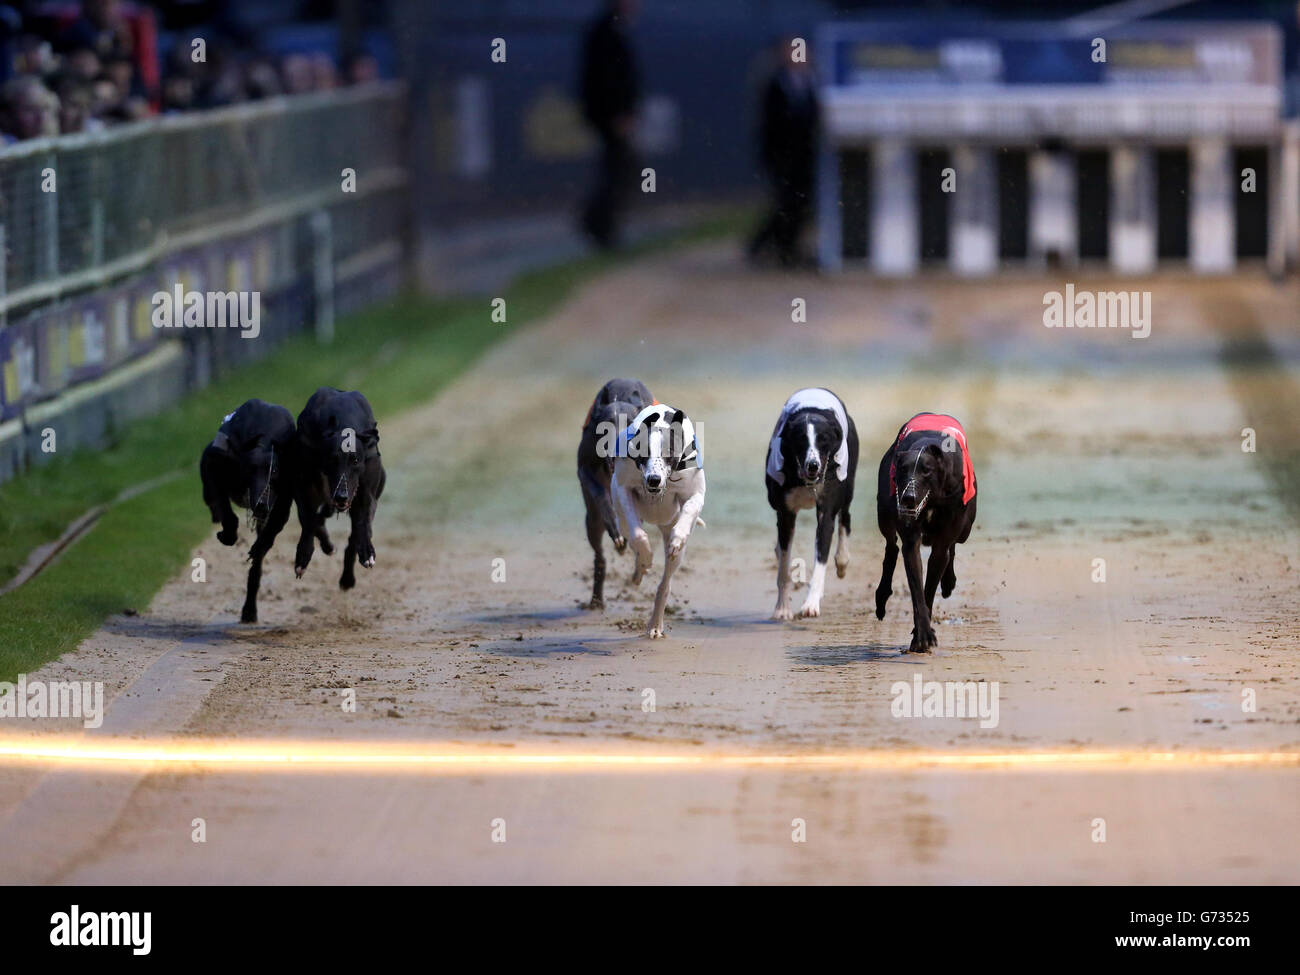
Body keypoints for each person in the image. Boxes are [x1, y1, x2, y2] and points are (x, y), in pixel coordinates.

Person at [748, 36, 819, 268]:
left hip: (806, 157)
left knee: (799, 204)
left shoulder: (814, 82)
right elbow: (771, 125)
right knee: (786, 203)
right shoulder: (776, 84)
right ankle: (772, 247)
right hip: (782, 157)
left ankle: (783, 247)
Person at [577, 0, 640, 249]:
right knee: (619, 170)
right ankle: (598, 226)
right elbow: (606, 78)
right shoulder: (606, 31)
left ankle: (599, 225)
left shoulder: (613, 29)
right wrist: (619, 114)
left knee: (621, 169)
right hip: (610, 117)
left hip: (611, 115)